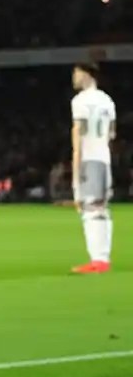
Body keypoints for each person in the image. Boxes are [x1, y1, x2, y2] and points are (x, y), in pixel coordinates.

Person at [70, 63, 117, 274]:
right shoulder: (108, 100)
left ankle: (97, 260)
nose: (74, 77)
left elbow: (78, 134)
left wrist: (76, 168)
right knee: (102, 209)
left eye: (77, 73)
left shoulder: (79, 101)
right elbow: (112, 134)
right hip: (105, 159)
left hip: (90, 159)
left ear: (87, 75)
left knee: (90, 210)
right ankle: (103, 258)